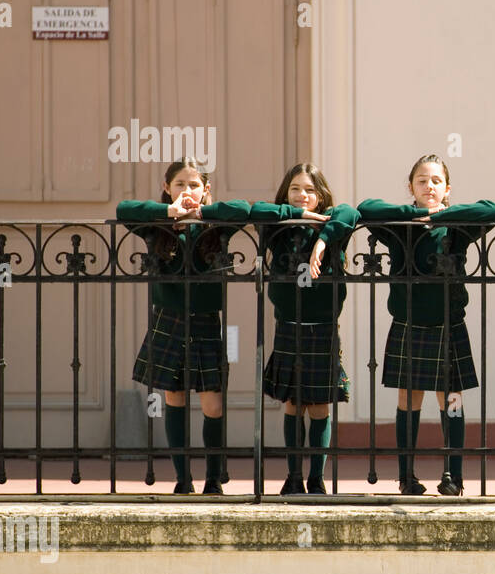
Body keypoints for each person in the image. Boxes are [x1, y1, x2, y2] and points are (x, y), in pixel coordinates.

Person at [358, 155, 495, 495]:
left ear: (447, 188)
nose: (429, 186)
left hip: (449, 325)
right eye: (422, 181)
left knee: (451, 400)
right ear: (411, 187)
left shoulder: (455, 227)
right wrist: (414, 215)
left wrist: (442, 215)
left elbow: (492, 210)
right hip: (408, 323)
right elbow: (366, 207)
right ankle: (407, 477)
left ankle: (453, 476)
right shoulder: (398, 225)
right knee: (409, 399)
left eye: (436, 181)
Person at [118, 157, 250, 494]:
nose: (187, 190)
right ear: (167, 188)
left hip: (205, 322)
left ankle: (213, 477)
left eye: (194, 185)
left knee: (212, 403)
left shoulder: (216, 224)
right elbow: (124, 208)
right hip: (168, 321)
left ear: (206, 190)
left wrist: (202, 212)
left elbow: (244, 209)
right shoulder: (157, 223)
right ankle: (182, 478)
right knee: (174, 398)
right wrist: (170, 213)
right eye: (180, 184)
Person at [251, 162, 359, 495]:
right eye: (296, 188)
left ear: (321, 195)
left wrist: (322, 240)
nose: (302, 195)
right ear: (286, 192)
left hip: (323, 328)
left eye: (310, 190)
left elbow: (352, 212)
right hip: (289, 326)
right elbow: (254, 210)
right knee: (293, 403)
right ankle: (294, 475)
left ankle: (316, 477)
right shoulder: (277, 226)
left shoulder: (333, 223)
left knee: (320, 405)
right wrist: (297, 215)